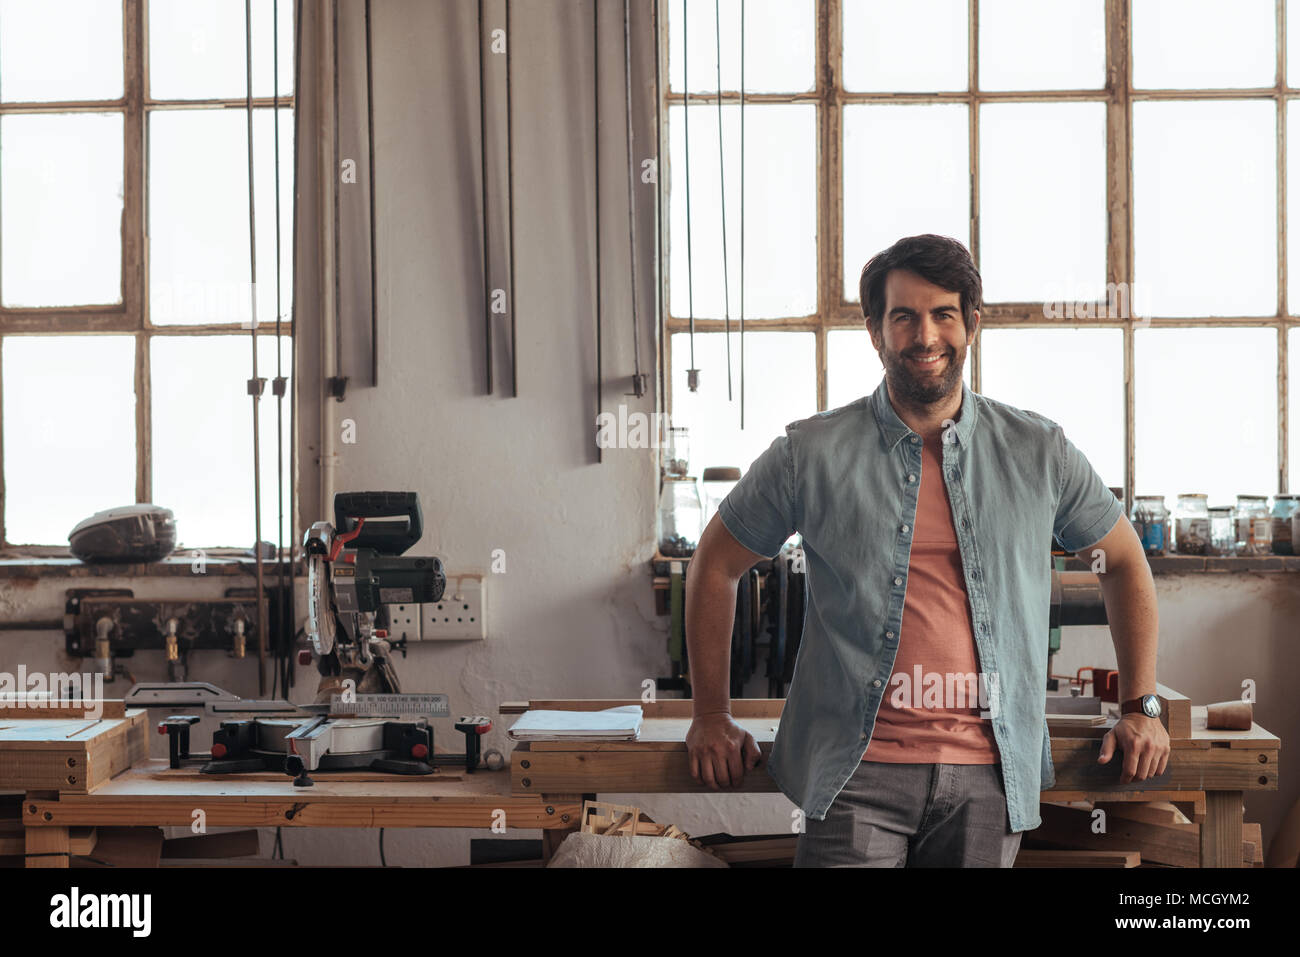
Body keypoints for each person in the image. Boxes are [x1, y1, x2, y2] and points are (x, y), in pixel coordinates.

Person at [683, 234, 1170, 867]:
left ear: (971, 323)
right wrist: (711, 715)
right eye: (904, 315)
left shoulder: (1038, 451)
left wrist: (1142, 705)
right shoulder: (811, 455)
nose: (925, 335)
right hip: (855, 775)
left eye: (943, 313)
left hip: (989, 778)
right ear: (874, 331)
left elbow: (1126, 563)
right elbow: (715, 564)